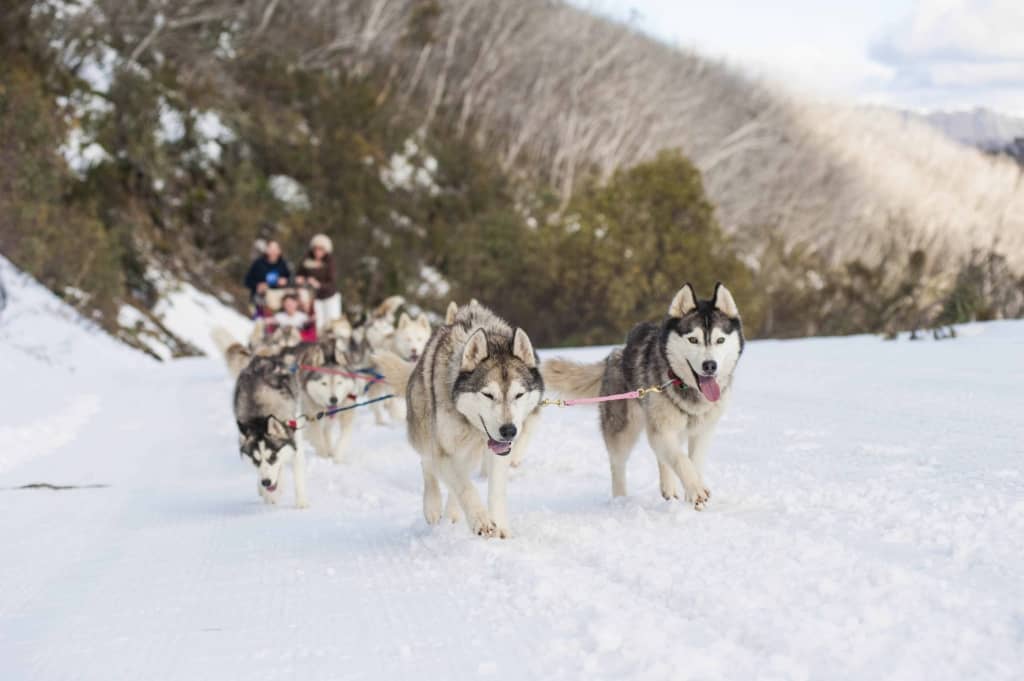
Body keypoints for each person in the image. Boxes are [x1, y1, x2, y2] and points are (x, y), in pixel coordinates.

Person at [295, 233, 341, 333]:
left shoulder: (330, 262)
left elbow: (332, 283)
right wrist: (301, 279)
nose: (318, 252)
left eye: (321, 249)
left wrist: (318, 284)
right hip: (315, 298)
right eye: (316, 248)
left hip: (330, 296)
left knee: (332, 322)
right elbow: (299, 274)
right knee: (319, 325)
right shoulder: (306, 259)